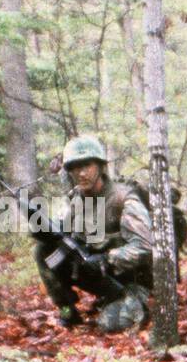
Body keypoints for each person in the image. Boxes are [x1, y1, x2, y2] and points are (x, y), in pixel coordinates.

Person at [36, 135, 154, 332]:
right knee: (43, 251)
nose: (81, 173)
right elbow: (66, 236)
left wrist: (107, 259)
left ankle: (133, 305)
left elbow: (145, 246)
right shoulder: (78, 200)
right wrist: (45, 233)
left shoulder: (123, 198)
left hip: (128, 278)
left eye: (87, 166)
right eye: (75, 167)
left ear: (100, 166)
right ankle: (67, 312)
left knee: (110, 325)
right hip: (96, 274)